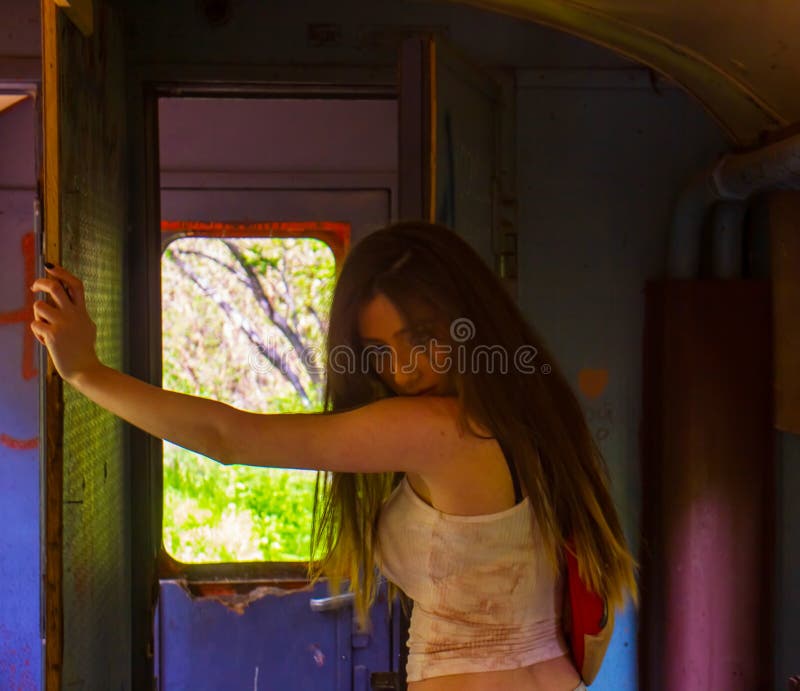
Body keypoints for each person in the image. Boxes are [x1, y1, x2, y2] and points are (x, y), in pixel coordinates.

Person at [30, 220, 636, 691]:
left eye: (422, 340)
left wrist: (86, 371)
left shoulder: (438, 427)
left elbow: (228, 438)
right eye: (379, 352)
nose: (403, 370)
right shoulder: (534, 418)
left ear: (468, 322)